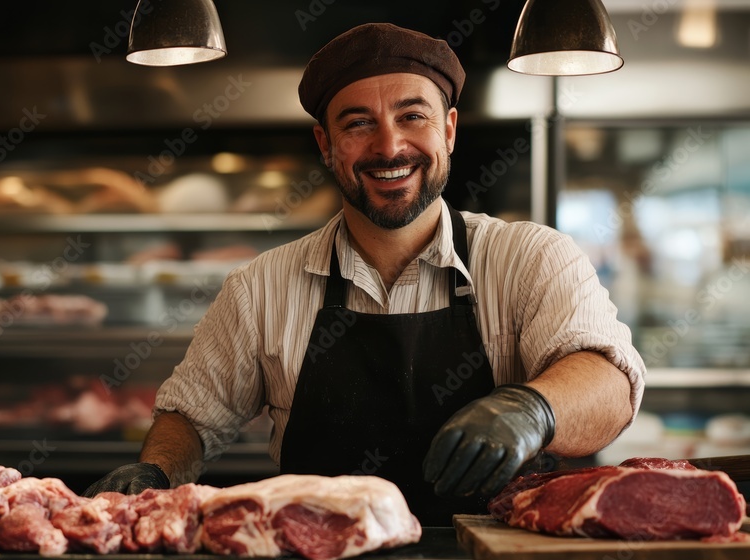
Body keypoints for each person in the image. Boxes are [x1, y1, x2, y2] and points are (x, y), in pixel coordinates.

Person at [85, 23, 646, 525]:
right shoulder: (260, 289)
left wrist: (532, 409)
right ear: (325, 145)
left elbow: (608, 381)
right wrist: (156, 474)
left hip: (499, 550)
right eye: (358, 124)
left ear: (448, 130)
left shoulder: (531, 258)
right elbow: (191, 416)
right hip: (325, 547)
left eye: (412, 116)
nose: (389, 146)